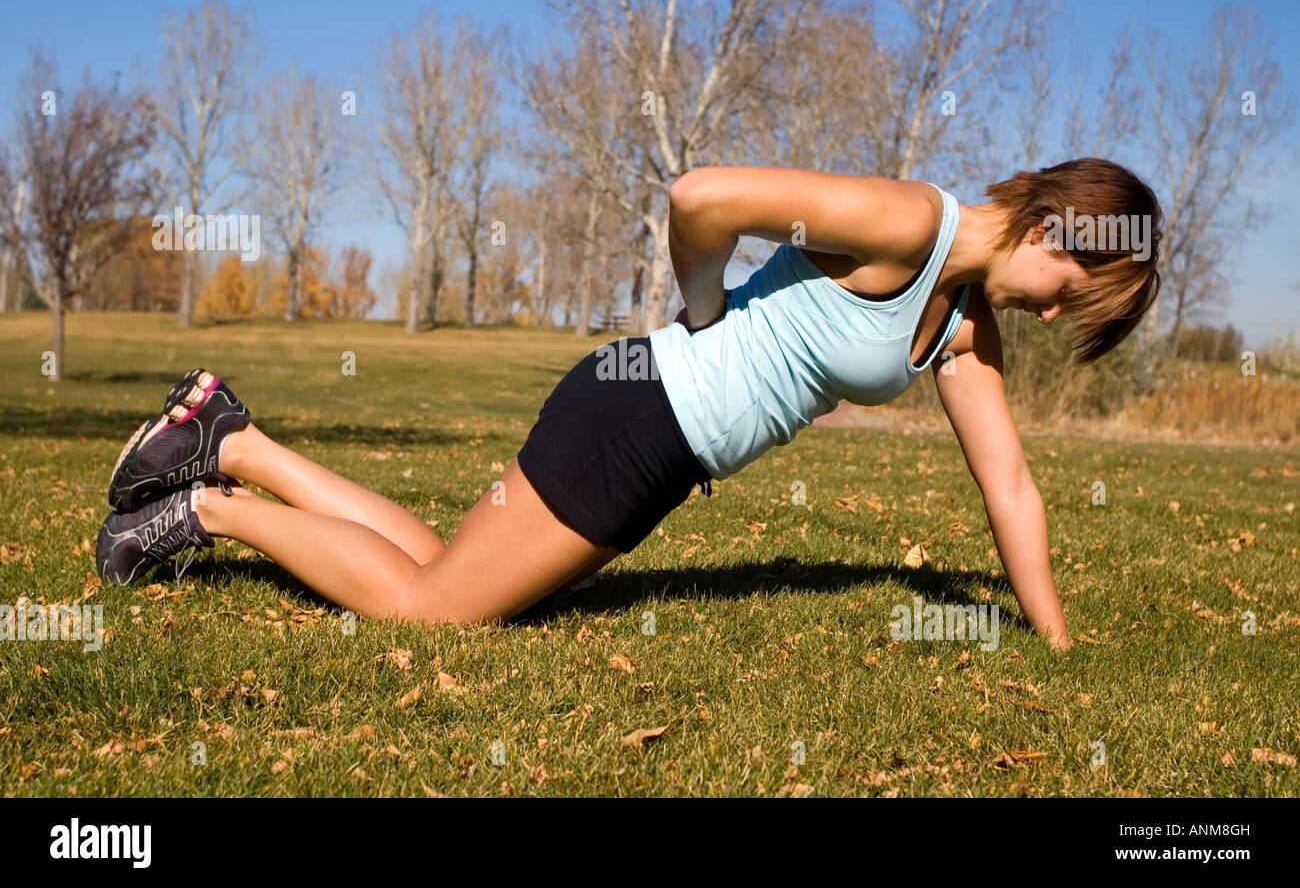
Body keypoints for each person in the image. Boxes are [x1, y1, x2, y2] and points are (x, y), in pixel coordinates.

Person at [96, 158, 1162, 651]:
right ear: (1051, 234)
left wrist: (1055, 642)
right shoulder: (906, 221)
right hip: (639, 413)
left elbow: (1010, 486)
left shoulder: (966, 325)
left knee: (440, 575)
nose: (1056, 317)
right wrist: (704, 310)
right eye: (1072, 294)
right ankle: (204, 511)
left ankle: (234, 442)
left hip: (656, 443)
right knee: (435, 611)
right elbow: (701, 198)